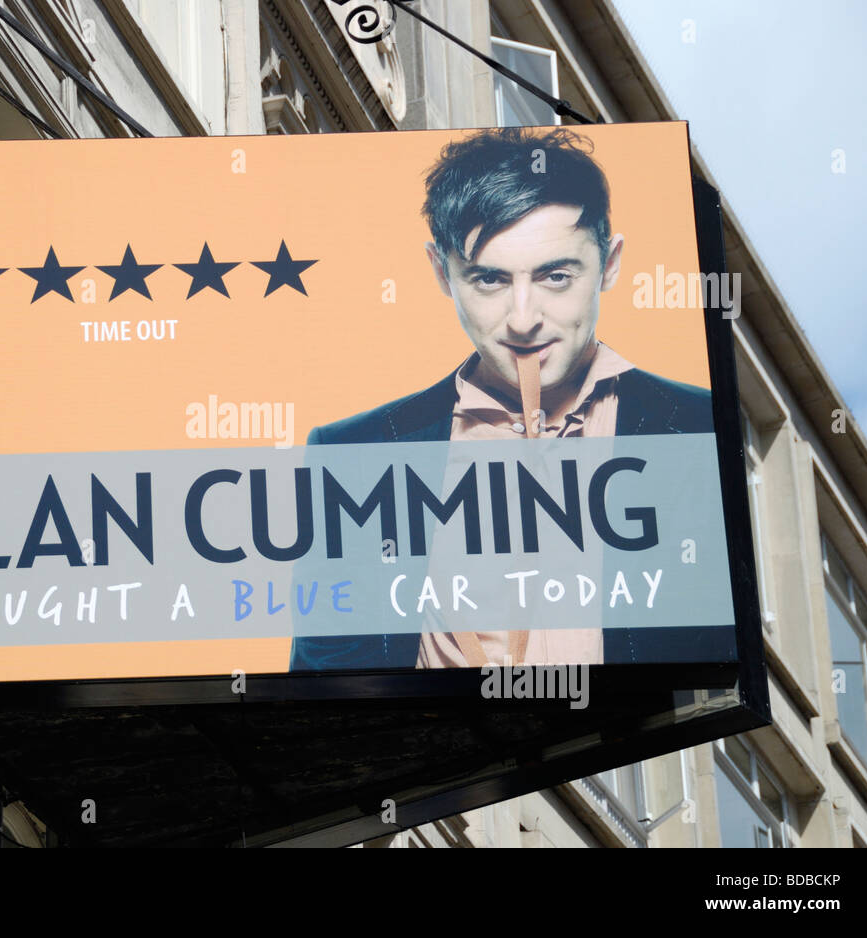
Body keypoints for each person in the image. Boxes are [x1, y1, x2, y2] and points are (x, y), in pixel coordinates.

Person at [289, 127, 715, 673]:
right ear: (442, 271)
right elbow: (329, 687)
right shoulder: (352, 451)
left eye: (556, 276)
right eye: (489, 280)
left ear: (609, 264)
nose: (522, 319)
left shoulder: (700, 426)